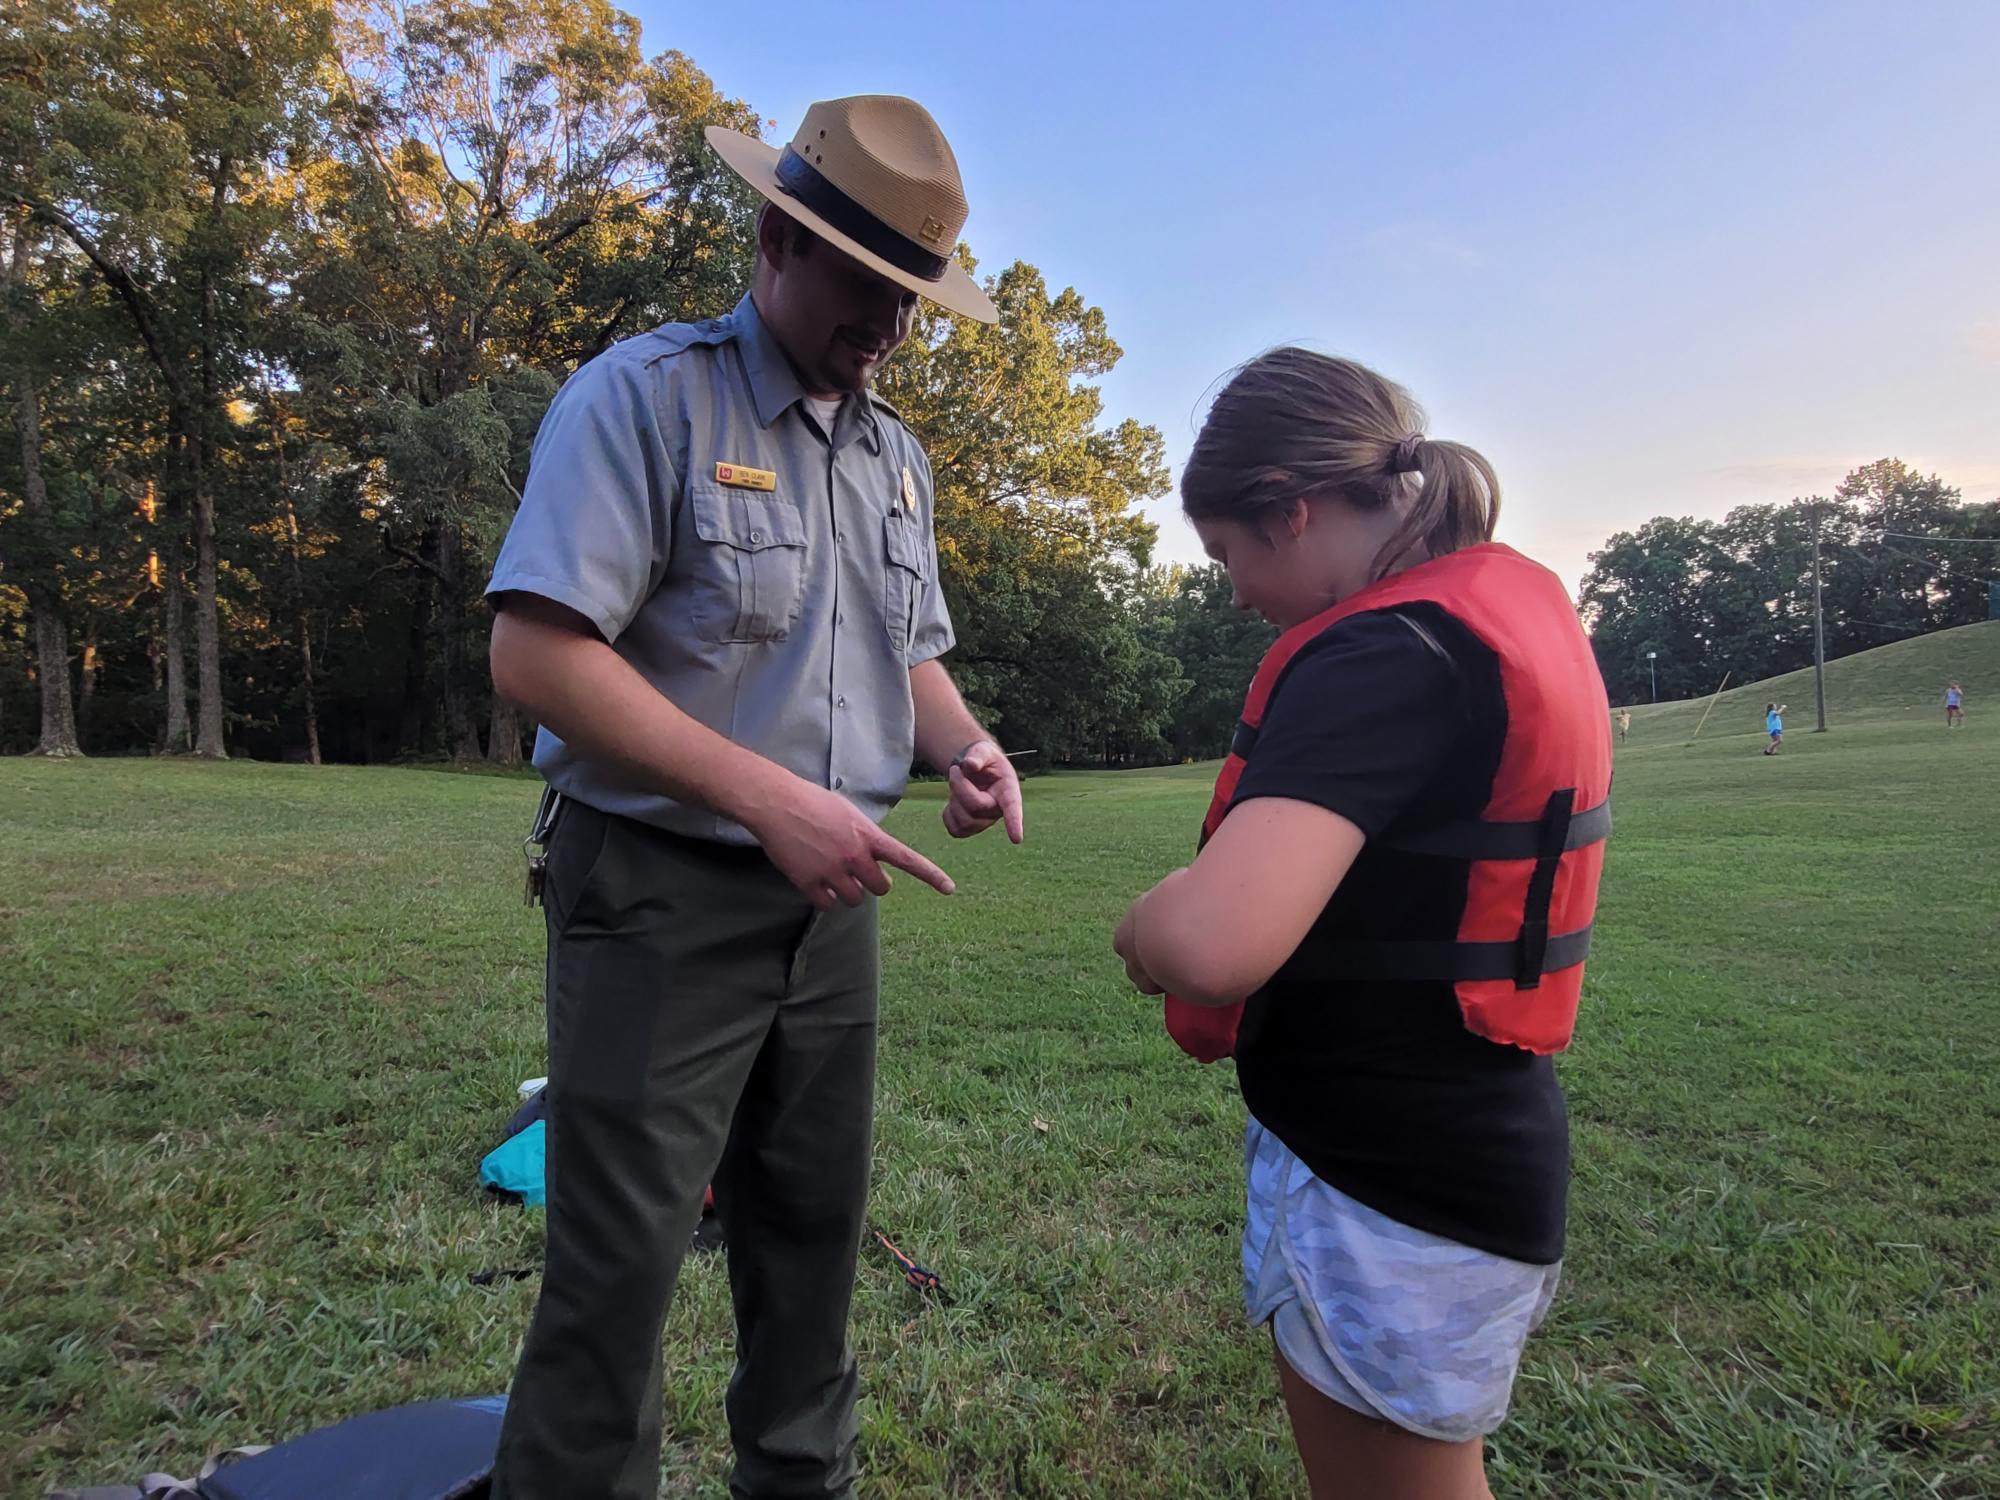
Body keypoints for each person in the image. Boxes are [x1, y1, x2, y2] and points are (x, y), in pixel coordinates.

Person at [482, 95, 1024, 1500]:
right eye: (868, 286)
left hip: (830, 910)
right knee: (619, 1278)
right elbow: (535, 651)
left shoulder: (895, 456)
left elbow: (912, 657)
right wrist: (767, 798)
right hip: (658, 892)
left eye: (913, 297)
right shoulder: (645, 396)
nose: (892, 327)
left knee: (810, 1250)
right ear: (781, 235)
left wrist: (962, 746)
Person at [1112, 348, 1610, 1500]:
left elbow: (1211, 941)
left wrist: (1137, 926)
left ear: (1288, 512)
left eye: (1227, 554)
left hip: (1391, 1178)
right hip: (1452, 1148)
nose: (1232, 593)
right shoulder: (1469, 627)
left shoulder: (1384, 652)